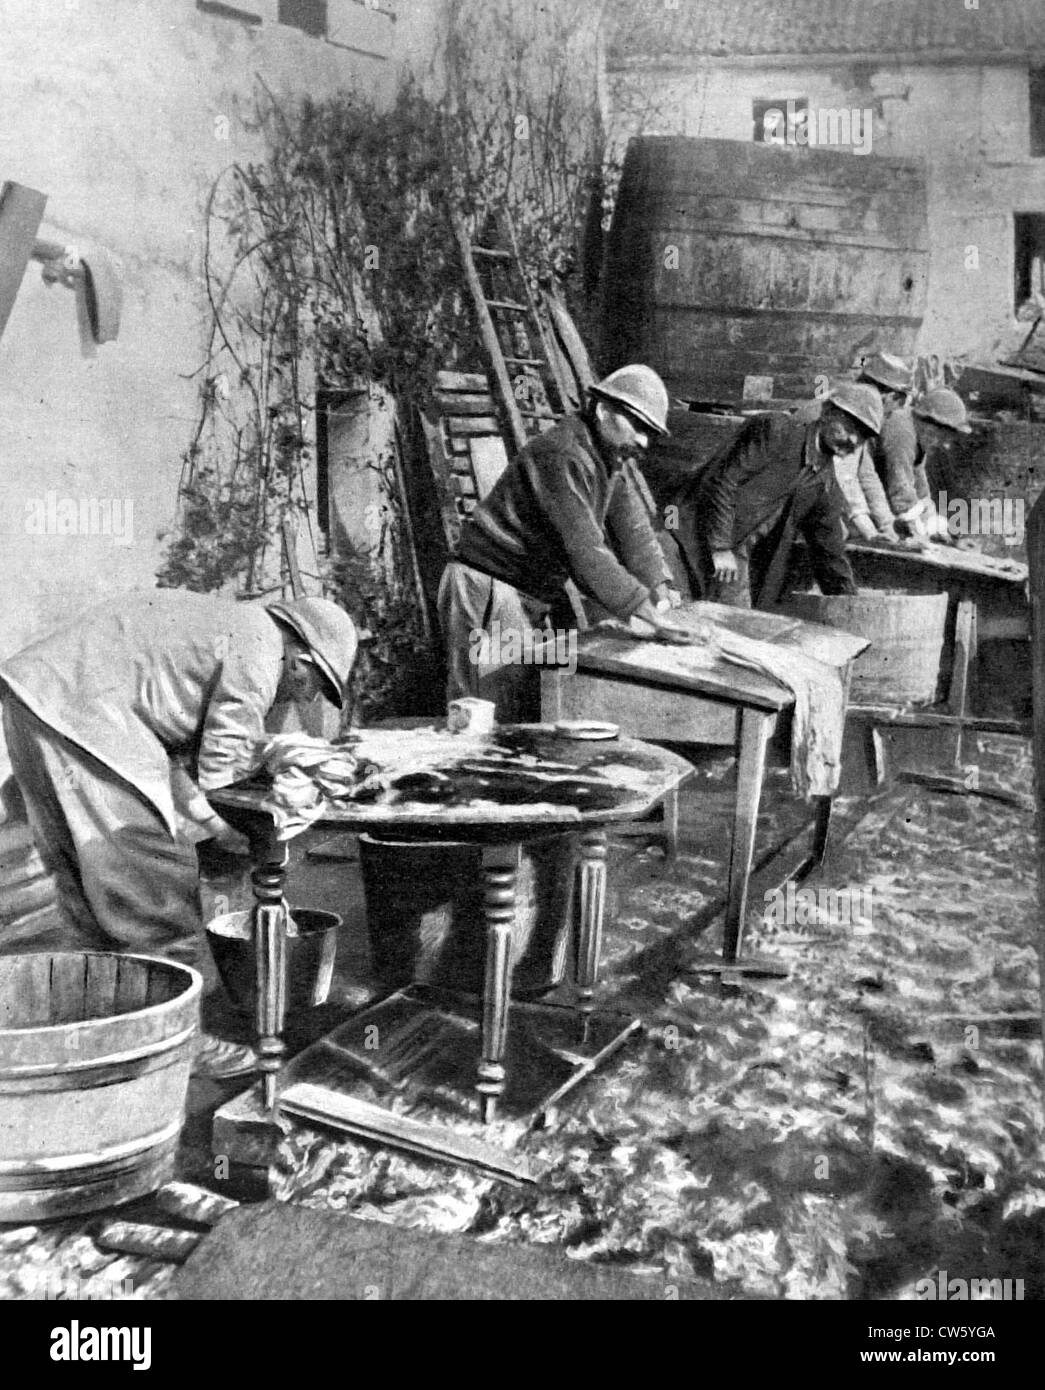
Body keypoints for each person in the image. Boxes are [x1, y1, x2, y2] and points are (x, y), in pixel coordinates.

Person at [0, 590, 357, 1078]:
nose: (304, 695)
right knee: (152, 880)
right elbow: (222, 769)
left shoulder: (221, 629)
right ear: (300, 658)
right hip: (86, 716)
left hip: (35, 698)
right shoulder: (257, 645)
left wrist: (215, 827)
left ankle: (108, 1023)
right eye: (313, 684)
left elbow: (175, 769)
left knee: (82, 882)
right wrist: (276, 775)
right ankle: (180, 1041)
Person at [438, 364, 697, 716]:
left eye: (649, 431)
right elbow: (585, 551)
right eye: (637, 425)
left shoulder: (608, 458)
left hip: (522, 593)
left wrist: (661, 586)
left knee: (517, 710)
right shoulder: (563, 454)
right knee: (482, 714)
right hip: (487, 587)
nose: (644, 442)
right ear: (604, 411)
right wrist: (643, 609)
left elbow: (634, 529)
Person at [671, 382, 881, 609]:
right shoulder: (778, 430)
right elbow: (723, 482)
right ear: (828, 412)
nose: (853, 440)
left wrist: (851, 607)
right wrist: (719, 547)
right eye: (849, 428)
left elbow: (830, 553)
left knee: (736, 624)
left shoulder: (824, 484)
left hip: (733, 555)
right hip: (686, 533)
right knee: (670, 609)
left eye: (862, 437)